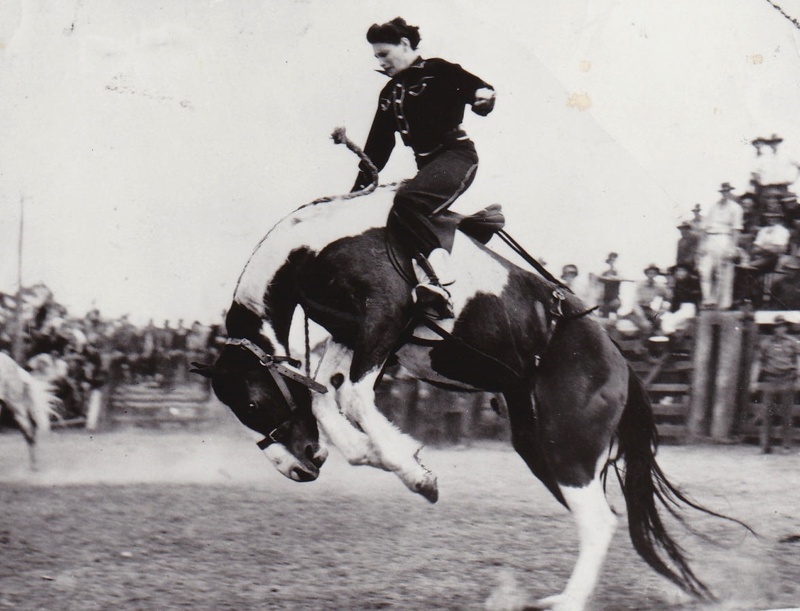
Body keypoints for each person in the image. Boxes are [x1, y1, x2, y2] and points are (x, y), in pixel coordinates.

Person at [352, 17, 496, 318]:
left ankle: (439, 283)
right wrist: (356, 192)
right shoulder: (390, 94)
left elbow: (478, 89)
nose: (380, 62)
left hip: (457, 157)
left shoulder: (439, 71)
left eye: (383, 54)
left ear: (404, 45)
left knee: (407, 201)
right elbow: (378, 148)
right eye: (376, 56)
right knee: (392, 214)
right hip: (428, 168)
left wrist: (482, 97)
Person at [750, 315, 799, 454]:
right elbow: (758, 362)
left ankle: (786, 445)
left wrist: (799, 378)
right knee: (767, 413)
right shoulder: (766, 343)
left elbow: (798, 360)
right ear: (774, 329)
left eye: (782, 326)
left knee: (787, 414)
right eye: (777, 327)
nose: (780, 329)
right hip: (770, 380)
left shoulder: (793, 343)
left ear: (786, 328)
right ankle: (765, 445)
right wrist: (753, 380)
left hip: (787, 379)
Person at [698, 182, 744, 309]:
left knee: (722, 272)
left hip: (725, 238)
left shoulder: (736, 208)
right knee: (705, 271)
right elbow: (704, 228)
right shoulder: (714, 207)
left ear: (731, 192)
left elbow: (736, 229)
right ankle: (707, 299)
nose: (725, 194)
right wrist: (702, 244)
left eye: (727, 191)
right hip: (710, 239)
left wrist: (732, 247)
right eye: (723, 191)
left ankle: (722, 303)